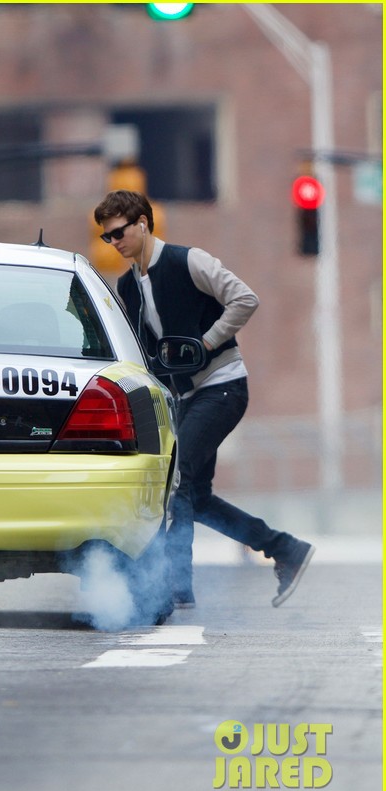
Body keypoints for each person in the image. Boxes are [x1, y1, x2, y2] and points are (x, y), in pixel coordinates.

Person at [93, 189, 314, 609]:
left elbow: (245, 298)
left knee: (177, 481)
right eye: (107, 237)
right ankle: (285, 549)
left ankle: (176, 586)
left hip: (224, 386)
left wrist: (207, 343)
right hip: (185, 399)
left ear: (142, 223)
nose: (114, 242)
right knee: (198, 495)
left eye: (119, 233)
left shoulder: (188, 260)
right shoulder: (129, 286)